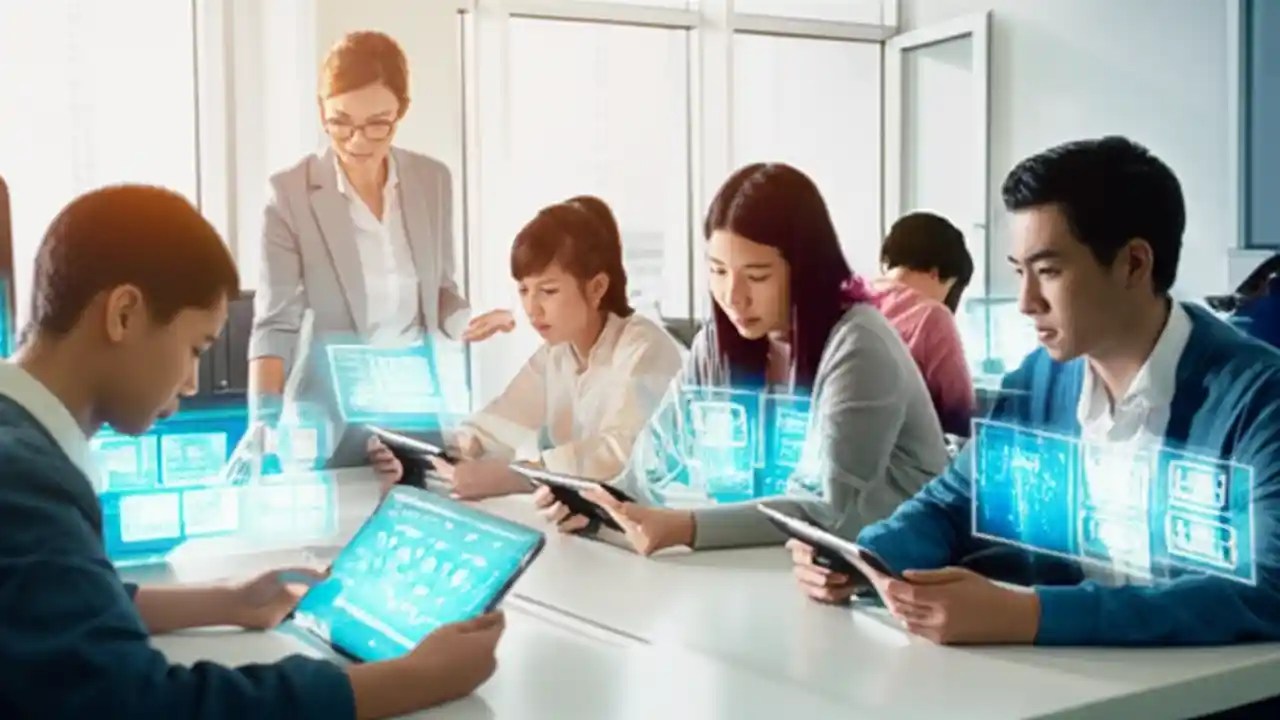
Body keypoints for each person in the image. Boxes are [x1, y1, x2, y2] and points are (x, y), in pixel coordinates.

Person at [0, 185, 503, 718]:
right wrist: (415, 677)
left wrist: (225, 601)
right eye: (195, 349)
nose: (192, 382)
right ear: (124, 314)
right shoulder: (24, 483)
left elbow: (50, 604)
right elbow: (144, 706)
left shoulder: (21, 450)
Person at [787, 136, 1280, 649]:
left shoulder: (1259, 400)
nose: (1026, 302)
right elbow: (955, 503)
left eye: (1048, 271)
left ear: (1134, 264)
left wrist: (1031, 615)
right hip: (1065, 682)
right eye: (1019, 271)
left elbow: (1268, 589)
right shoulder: (1039, 382)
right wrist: (863, 558)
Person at [536, 164, 951, 554]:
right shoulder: (720, 342)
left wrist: (688, 527)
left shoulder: (859, 345)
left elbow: (825, 508)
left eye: (757, 276)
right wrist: (598, 503)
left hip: (896, 569)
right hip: (782, 560)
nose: (733, 296)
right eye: (718, 271)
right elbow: (652, 463)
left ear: (805, 269)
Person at [248, 31, 510, 444]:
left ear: (401, 111)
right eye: (340, 123)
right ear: (321, 110)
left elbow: (440, 290)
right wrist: (263, 421)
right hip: (329, 415)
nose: (357, 141)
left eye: (377, 125)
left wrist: (466, 322)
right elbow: (276, 323)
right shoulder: (289, 194)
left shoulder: (431, 180)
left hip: (412, 400)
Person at [368, 196, 683, 499]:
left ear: (597, 287)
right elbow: (500, 422)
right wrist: (430, 448)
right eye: (523, 290)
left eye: (548, 291)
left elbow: (622, 453)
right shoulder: (557, 353)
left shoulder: (644, 347)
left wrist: (520, 476)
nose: (532, 308)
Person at [871, 212, 977, 436]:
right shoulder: (932, 315)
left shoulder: (851, 299)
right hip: (907, 461)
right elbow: (959, 409)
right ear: (936, 273)